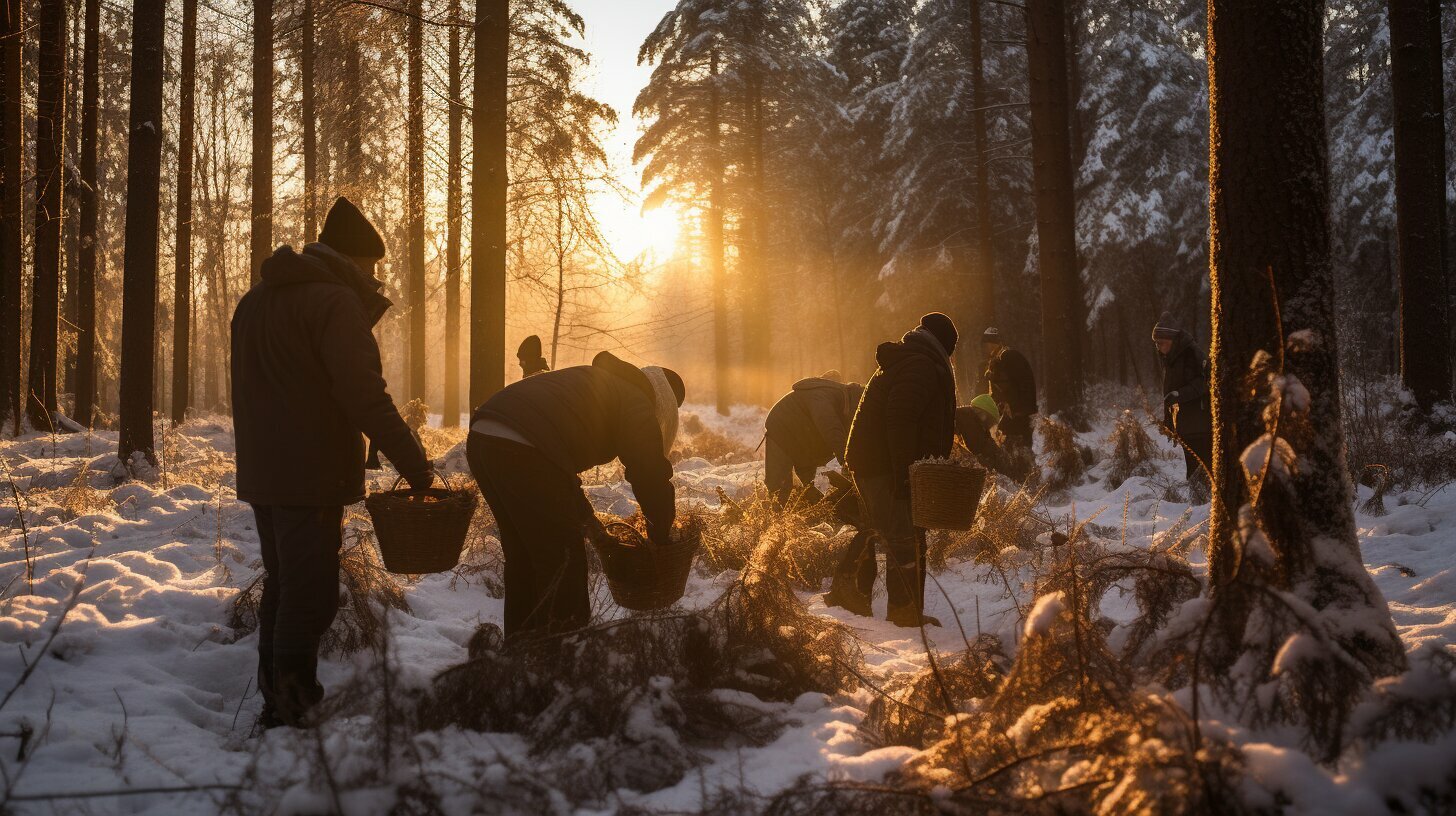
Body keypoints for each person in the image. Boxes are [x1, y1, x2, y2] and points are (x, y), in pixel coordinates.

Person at [232, 196, 435, 728]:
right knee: (311, 594)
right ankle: (290, 710)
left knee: (284, 584)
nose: (373, 276)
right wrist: (416, 465)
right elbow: (364, 395)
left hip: (264, 469)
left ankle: (276, 697)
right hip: (309, 473)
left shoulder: (255, 301)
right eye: (370, 266)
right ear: (351, 260)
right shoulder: (334, 303)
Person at [466, 351, 685, 640]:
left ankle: (521, 653)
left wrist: (588, 521)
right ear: (663, 403)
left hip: (484, 439)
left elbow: (557, 470)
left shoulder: (601, 383)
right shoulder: (637, 401)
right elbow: (649, 472)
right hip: (522, 448)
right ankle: (564, 654)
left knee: (525, 555)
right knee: (563, 560)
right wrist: (660, 531)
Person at [830, 313, 958, 627]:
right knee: (903, 534)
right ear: (944, 346)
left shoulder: (913, 361)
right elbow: (900, 419)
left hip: (878, 460)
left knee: (897, 528)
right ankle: (897, 608)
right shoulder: (921, 366)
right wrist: (904, 472)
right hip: (882, 463)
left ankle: (869, 595)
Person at [763, 372, 864, 505]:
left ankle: (812, 513)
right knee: (778, 485)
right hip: (782, 431)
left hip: (805, 441)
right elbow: (831, 429)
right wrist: (847, 461)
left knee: (810, 487)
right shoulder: (822, 396)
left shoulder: (839, 400)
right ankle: (774, 520)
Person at [1152, 312, 1212, 496]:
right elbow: (1169, 395)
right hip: (1187, 424)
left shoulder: (1191, 354)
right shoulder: (1171, 358)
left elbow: (1205, 383)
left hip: (1200, 423)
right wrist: (1169, 424)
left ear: (1172, 339)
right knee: (1194, 471)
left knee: (1203, 468)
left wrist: (1180, 395)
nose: (1158, 346)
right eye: (1156, 343)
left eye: (1161, 342)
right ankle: (1200, 502)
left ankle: (1207, 504)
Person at [980, 327, 1037, 472]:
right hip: (1013, 412)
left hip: (1018, 413)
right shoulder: (999, 359)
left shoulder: (1008, 357)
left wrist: (1016, 408)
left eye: (986, 344)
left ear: (991, 343)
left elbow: (1024, 383)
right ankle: (1023, 478)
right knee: (1011, 445)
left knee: (1017, 447)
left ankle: (1025, 479)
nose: (984, 347)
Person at [955, 394, 1013, 478]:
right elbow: (977, 446)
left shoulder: (971, 416)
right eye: (989, 420)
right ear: (983, 413)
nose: (989, 425)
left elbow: (985, 438)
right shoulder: (967, 416)